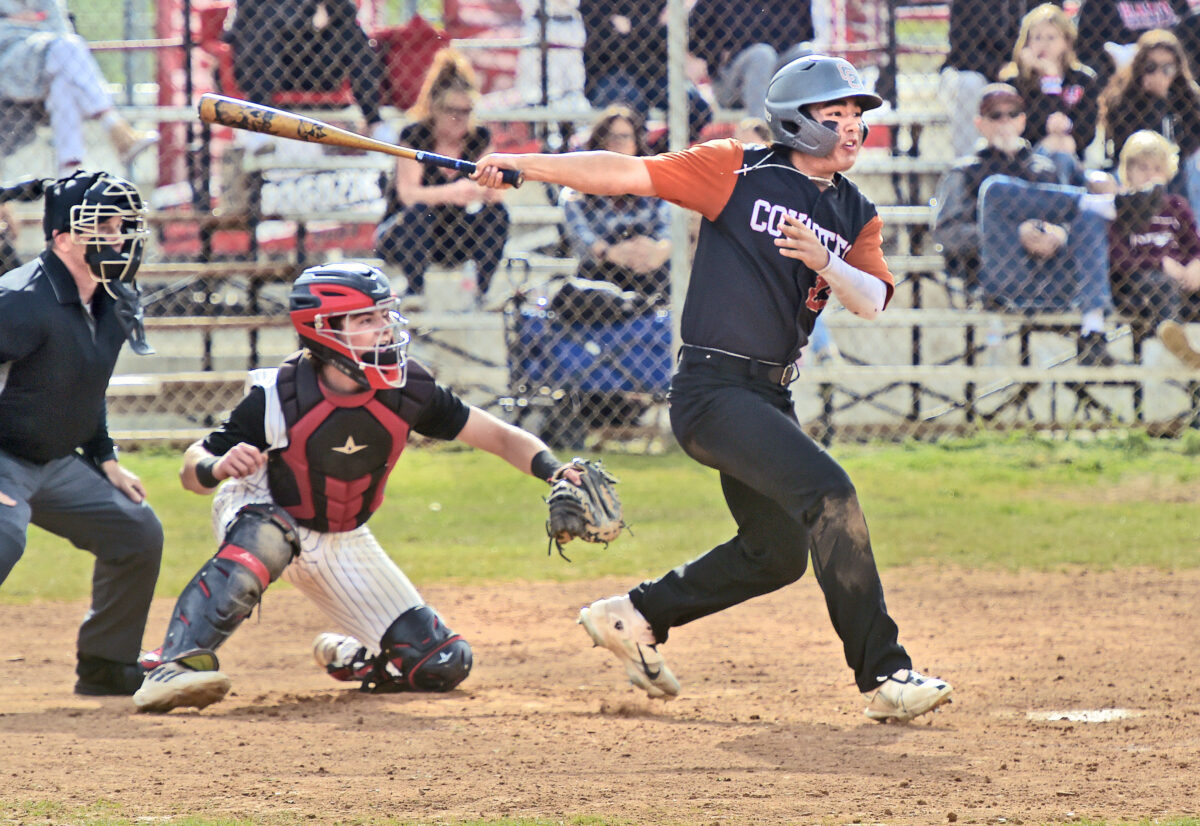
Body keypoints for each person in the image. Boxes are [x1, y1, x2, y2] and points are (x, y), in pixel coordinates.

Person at [472, 54, 954, 721]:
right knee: (832, 495)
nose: (852, 130)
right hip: (711, 391)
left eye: (856, 118)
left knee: (776, 555)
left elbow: (872, 299)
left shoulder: (855, 211)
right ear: (795, 120)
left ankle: (635, 615)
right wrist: (527, 165)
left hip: (768, 398)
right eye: (834, 115)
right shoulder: (738, 169)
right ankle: (885, 675)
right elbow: (624, 174)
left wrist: (827, 260)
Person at [131, 262, 585, 712]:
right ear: (324, 330)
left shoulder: (408, 389)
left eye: (386, 315)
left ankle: (356, 655)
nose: (385, 328)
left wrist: (555, 470)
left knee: (442, 663)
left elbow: (501, 437)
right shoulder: (278, 395)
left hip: (342, 536)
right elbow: (191, 471)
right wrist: (217, 466)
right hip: (267, 509)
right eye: (367, 319)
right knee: (267, 533)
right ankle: (174, 664)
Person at [0, 170, 163, 696]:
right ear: (63, 238)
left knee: (136, 530)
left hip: (56, 459)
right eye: (103, 227)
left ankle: (106, 665)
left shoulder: (116, 297)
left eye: (123, 226)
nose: (118, 239)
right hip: (6, 457)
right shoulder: (19, 300)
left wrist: (105, 455)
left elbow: (85, 385)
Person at [932, 83, 1116, 365]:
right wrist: (1008, 234)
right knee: (995, 190)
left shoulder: (1047, 168)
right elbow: (947, 234)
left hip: (1055, 276)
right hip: (1001, 278)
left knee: (1090, 217)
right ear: (980, 124)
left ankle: (1093, 331)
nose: (1004, 122)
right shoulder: (964, 171)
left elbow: (1072, 227)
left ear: (1023, 120)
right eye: (996, 115)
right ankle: (1089, 200)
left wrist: (1060, 233)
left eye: (1012, 114)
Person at [374, 49, 509, 306]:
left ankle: (482, 292)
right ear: (435, 109)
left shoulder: (479, 138)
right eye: (452, 111)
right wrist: (453, 192)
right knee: (419, 211)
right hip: (405, 234)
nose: (460, 119)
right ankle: (415, 291)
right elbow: (408, 194)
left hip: (453, 236)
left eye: (467, 111)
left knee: (497, 213)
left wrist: (481, 189)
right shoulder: (415, 135)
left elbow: (495, 192)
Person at [0, 0, 158, 176]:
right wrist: (28, 25)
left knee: (63, 82)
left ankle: (69, 175)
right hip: (8, 64)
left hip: (47, 63)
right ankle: (116, 127)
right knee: (67, 50)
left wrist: (17, 23)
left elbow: (61, 29)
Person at [224, 0, 394, 144]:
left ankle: (374, 122)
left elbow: (348, 12)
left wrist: (325, 9)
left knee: (352, 34)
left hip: (312, 66)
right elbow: (258, 17)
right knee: (264, 30)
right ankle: (258, 121)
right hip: (269, 68)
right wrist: (312, 13)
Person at [1108, 130, 1200, 366]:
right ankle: (1178, 343)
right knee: (1162, 283)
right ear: (1127, 172)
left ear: (1167, 173)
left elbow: (1194, 246)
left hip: (1181, 274)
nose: (1150, 176)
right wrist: (1161, 264)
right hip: (1141, 278)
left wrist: (1195, 266)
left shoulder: (1176, 205)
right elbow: (1118, 259)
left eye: (1157, 169)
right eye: (1143, 168)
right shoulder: (1120, 207)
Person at [560, 107, 672, 300]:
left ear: (636, 142)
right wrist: (611, 252)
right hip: (602, 270)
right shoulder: (577, 191)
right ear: (599, 142)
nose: (617, 144)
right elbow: (582, 238)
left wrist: (658, 251)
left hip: (648, 266)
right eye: (611, 137)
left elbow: (669, 229)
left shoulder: (655, 185)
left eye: (624, 136)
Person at [1099, 29, 1200, 225]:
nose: (1159, 74)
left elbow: (1190, 143)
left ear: (1177, 69)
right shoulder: (1124, 98)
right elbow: (1125, 144)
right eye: (1151, 66)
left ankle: (1193, 232)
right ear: (1140, 66)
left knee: (1190, 170)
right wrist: (1154, 101)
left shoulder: (1187, 97)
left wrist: (1165, 99)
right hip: (1133, 169)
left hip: (1175, 170)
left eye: (1167, 68)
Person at [579, 0, 713, 143]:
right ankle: (634, 156)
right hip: (611, 71)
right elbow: (607, 44)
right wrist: (655, 26)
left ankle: (656, 153)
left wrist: (631, 29)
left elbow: (675, 37)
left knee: (698, 108)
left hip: (654, 72)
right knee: (629, 106)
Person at [998, 4, 1101, 161]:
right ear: (1026, 43)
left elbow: (1087, 133)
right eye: (1037, 37)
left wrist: (1067, 127)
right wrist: (1050, 82)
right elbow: (1027, 131)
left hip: (1072, 157)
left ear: (1066, 41)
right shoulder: (1014, 82)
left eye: (1051, 37)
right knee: (1056, 143)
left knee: (1063, 143)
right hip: (1027, 159)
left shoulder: (1084, 79)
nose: (1044, 44)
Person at [939, 0, 1041, 157]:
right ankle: (970, 166)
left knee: (1042, 78)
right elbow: (962, 50)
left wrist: (1024, 64)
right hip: (969, 70)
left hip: (1023, 69)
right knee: (969, 84)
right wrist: (997, 68)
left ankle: (1030, 163)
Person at [688, 0, 814, 120]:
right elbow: (696, 40)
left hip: (777, 72)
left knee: (806, 52)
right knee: (762, 55)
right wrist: (717, 55)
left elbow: (804, 35)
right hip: (732, 81)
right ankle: (760, 130)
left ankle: (812, 128)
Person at [1074, 0, 1190, 91]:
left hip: (1172, 73)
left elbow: (1188, 34)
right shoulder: (1101, 3)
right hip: (1121, 76)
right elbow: (1086, 48)